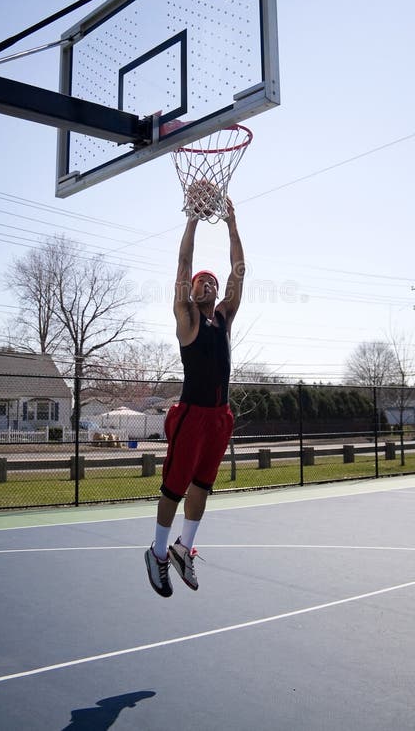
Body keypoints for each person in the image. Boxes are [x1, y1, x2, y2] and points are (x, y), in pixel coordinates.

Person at [145, 198, 245, 597]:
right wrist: (192, 221)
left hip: (219, 417)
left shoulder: (223, 318)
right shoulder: (186, 317)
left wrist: (232, 223)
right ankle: (156, 552)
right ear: (192, 288)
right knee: (175, 486)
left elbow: (240, 270)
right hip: (191, 414)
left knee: (202, 485)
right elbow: (183, 265)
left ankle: (183, 547)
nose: (210, 284)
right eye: (203, 281)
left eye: (214, 283)